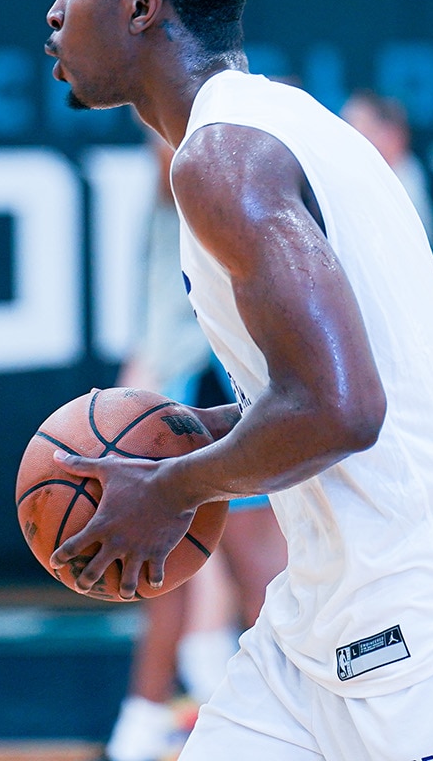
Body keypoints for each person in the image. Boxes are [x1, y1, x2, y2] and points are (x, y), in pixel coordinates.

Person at [43, 0, 433, 759]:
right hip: (321, 626)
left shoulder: (224, 158)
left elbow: (344, 410)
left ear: (143, 5)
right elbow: (316, 384)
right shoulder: (270, 126)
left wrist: (172, 489)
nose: (55, 10)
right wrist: (173, 435)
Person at [106, 131, 288, 761]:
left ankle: (282, 708)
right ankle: (144, 717)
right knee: (170, 566)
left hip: (229, 382)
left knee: (257, 570)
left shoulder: (244, 187)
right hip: (182, 380)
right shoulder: (184, 176)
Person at [339, 90, 433, 242]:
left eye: (358, 127)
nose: (344, 137)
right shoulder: (351, 175)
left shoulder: (407, 179)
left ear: (390, 134)